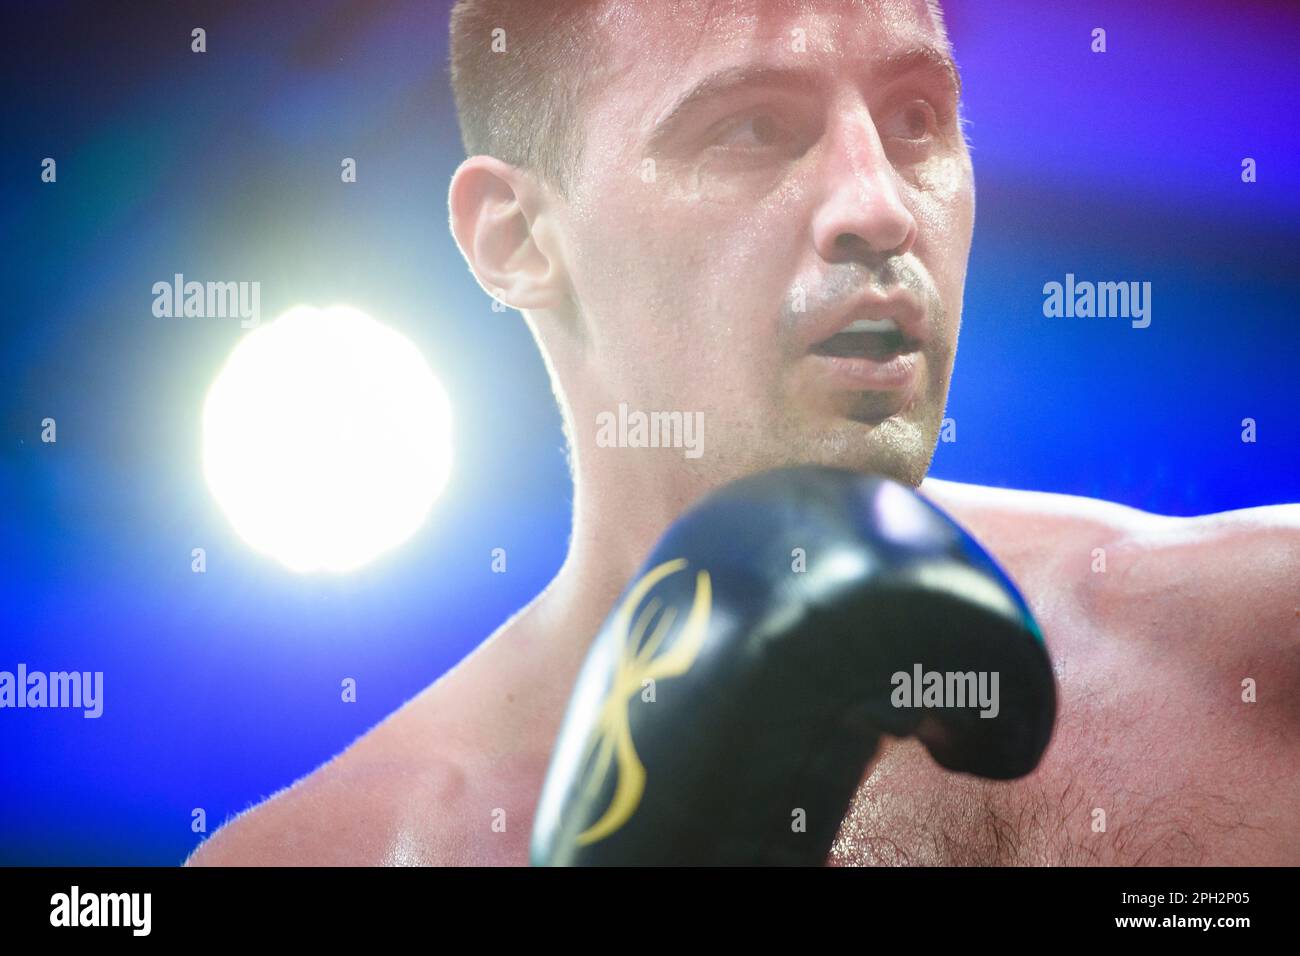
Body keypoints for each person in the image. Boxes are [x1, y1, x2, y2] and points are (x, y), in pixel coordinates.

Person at [186, 0, 1298, 866]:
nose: (879, 204)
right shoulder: (333, 857)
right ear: (518, 236)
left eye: (915, 119)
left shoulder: (1247, 650)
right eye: (753, 127)